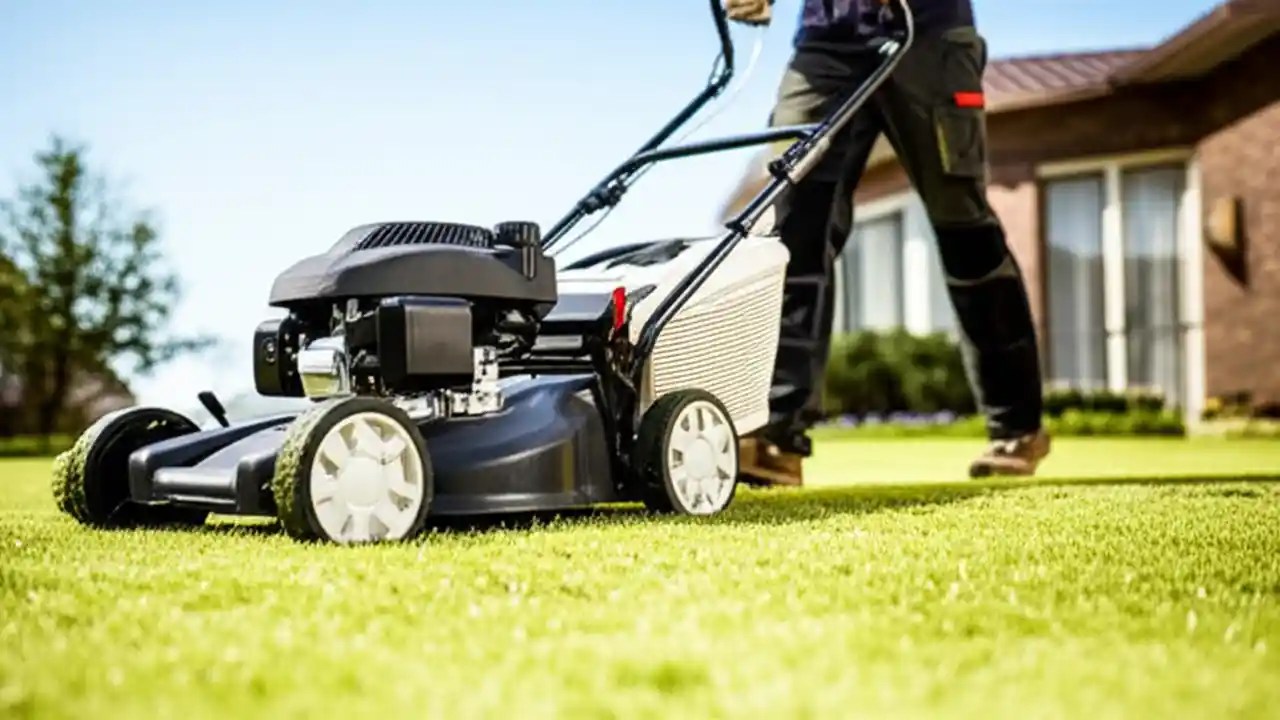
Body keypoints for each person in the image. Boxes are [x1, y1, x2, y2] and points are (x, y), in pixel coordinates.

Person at [723, 0, 1051, 483]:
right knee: (790, 225)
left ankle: (1017, 428)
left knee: (963, 226)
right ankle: (775, 437)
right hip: (826, 42)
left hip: (930, 35)